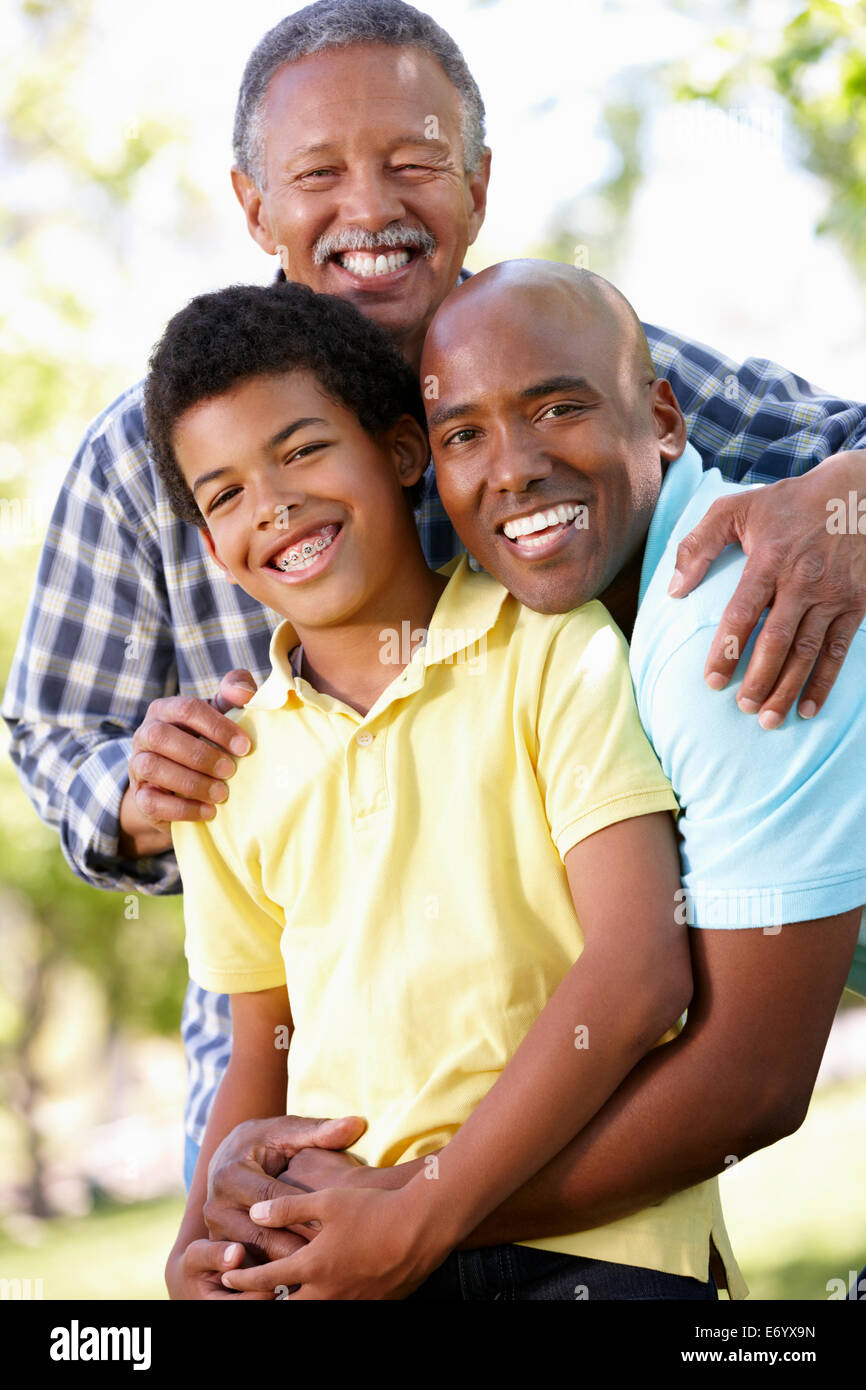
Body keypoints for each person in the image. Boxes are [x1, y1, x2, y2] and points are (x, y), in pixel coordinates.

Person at [4, 0, 866, 1200]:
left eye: (411, 162)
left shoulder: (569, 359)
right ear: (253, 205)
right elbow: (51, 732)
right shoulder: (144, 453)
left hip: (563, 1043)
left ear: (476, 183)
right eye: (317, 174)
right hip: (305, 1065)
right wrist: (142, 790)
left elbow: (845, 440)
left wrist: (843, 502)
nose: (369, 209)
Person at [151, 278, 744, 1302]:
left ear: (398, 449)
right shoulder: (228, 764)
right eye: (227, 493)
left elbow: (641, 966)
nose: (275, 505)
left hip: (601, 1241)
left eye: (300, 451)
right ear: (210, 545)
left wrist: (424, 1201)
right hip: (349, 1256)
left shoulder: (551, 649)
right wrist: (202, 1234)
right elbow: (262, 1051)